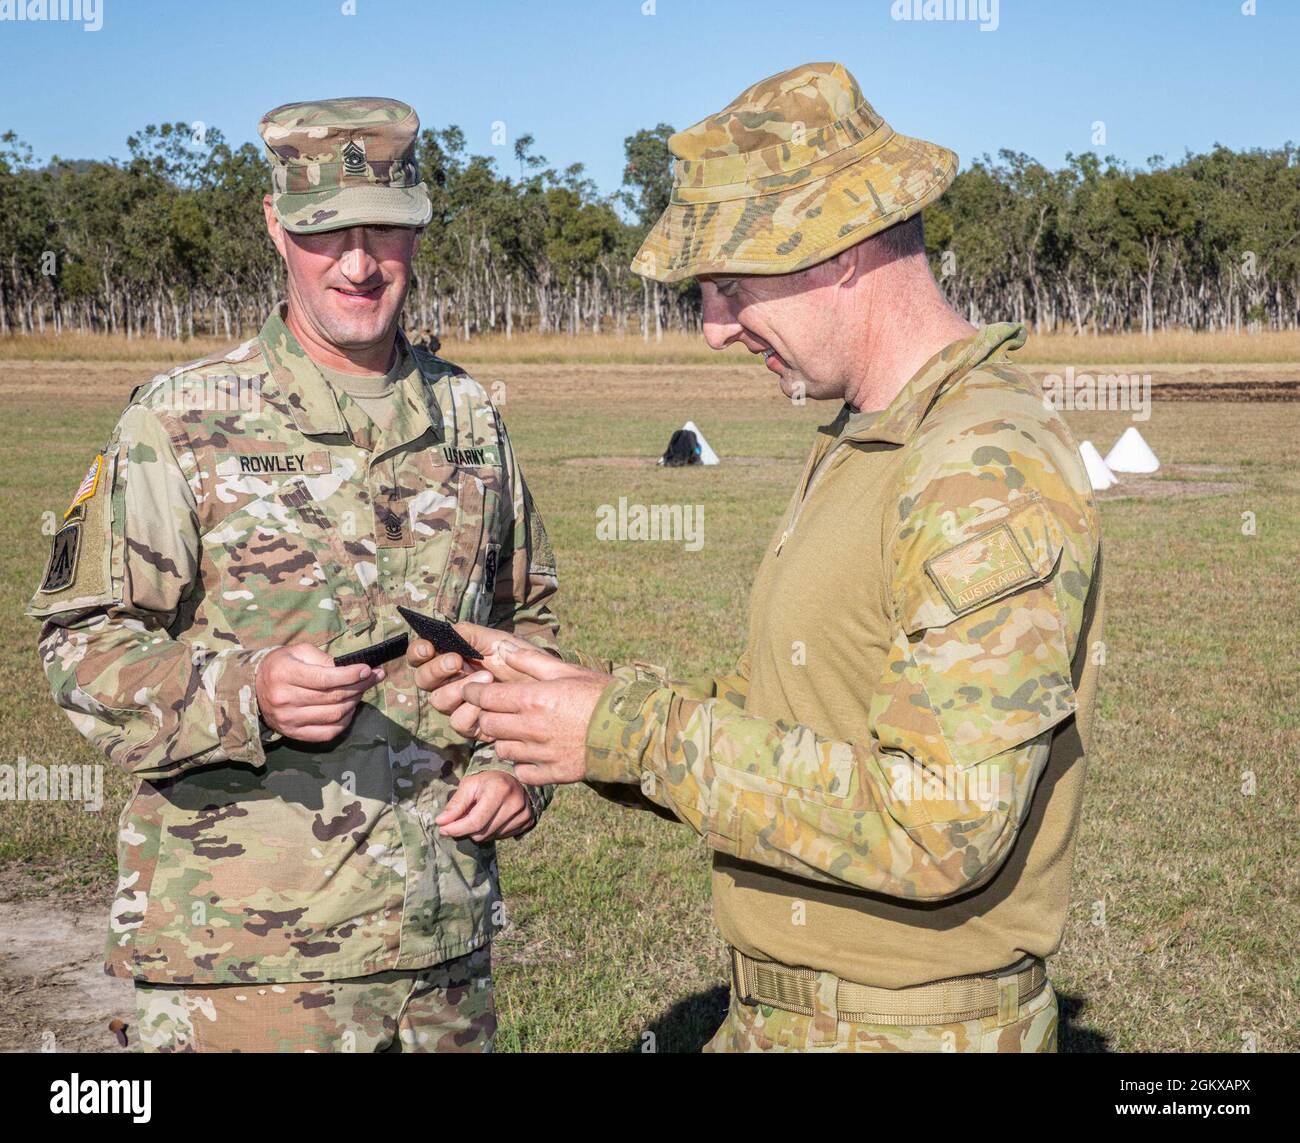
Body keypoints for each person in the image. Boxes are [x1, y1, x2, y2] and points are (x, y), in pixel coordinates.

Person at [409, 62, 1105, 1053]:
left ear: (844, 253)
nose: (713, 329)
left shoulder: (978, 467)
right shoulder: (876, 438)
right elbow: (801, 719)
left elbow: (941, 823)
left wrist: (631, 731)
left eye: (732, 285)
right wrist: (573, 704)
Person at [28, 97, 560, 1053]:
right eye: (327, 232)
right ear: (276, 227)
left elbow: (529, 627)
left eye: (384, 232)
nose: (358, 264)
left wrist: (522, 768)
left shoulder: (472, 417)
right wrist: (247, 691)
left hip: (441, 960)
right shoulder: (180, 419)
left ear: (418, 230)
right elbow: (81, 648)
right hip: (245, 971)